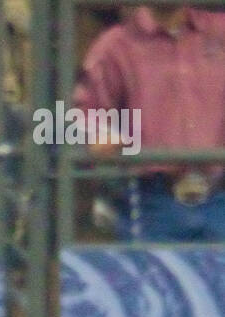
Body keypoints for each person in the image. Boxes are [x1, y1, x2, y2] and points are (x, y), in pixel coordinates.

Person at [73, 5, 225, 241]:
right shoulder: (115, 45)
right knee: (154, 276)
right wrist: (101, 136)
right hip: (151, 200)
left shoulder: (220, 32)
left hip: (220, 196)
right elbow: (87, 115)